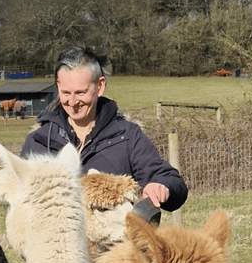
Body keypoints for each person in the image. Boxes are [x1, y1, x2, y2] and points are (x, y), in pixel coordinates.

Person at [21, 46, 188, 212]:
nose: (72, 102)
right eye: (65, 92)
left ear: (100, 86)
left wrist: (161, 186)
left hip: (115, 237)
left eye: (80, 92)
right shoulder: (39, 141)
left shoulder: (127, 136)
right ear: (57, 86)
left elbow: (171, 180)